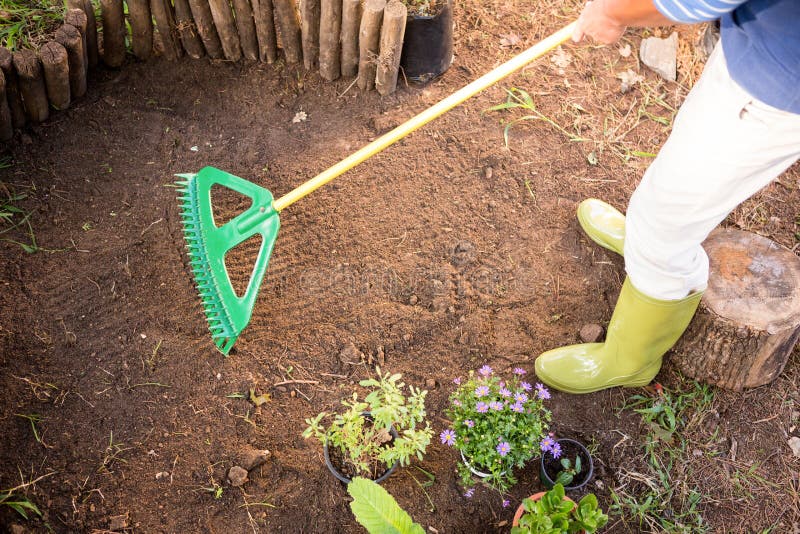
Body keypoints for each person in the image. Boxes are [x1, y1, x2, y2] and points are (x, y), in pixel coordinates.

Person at [534, 0, 800, 394]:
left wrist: (614, 12)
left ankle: (629, 361)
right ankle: (645, 242)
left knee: (667, 221)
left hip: (773, 92)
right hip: (759, 56)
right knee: (689, 161)